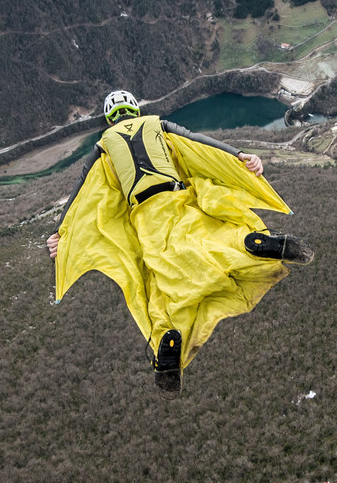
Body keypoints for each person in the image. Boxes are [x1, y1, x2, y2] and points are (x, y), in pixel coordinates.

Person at [47, 90, 313, 393]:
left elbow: (83, 194)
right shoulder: (158, 125)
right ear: (135, 111)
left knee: (159, 279)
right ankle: (249, 243)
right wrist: (240, 156)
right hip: (177, 197)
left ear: (110, 120)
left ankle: (168, 337)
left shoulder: (103, 147)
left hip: (146, 214)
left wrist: (61, 233)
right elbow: (199, 144)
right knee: (209, 237)